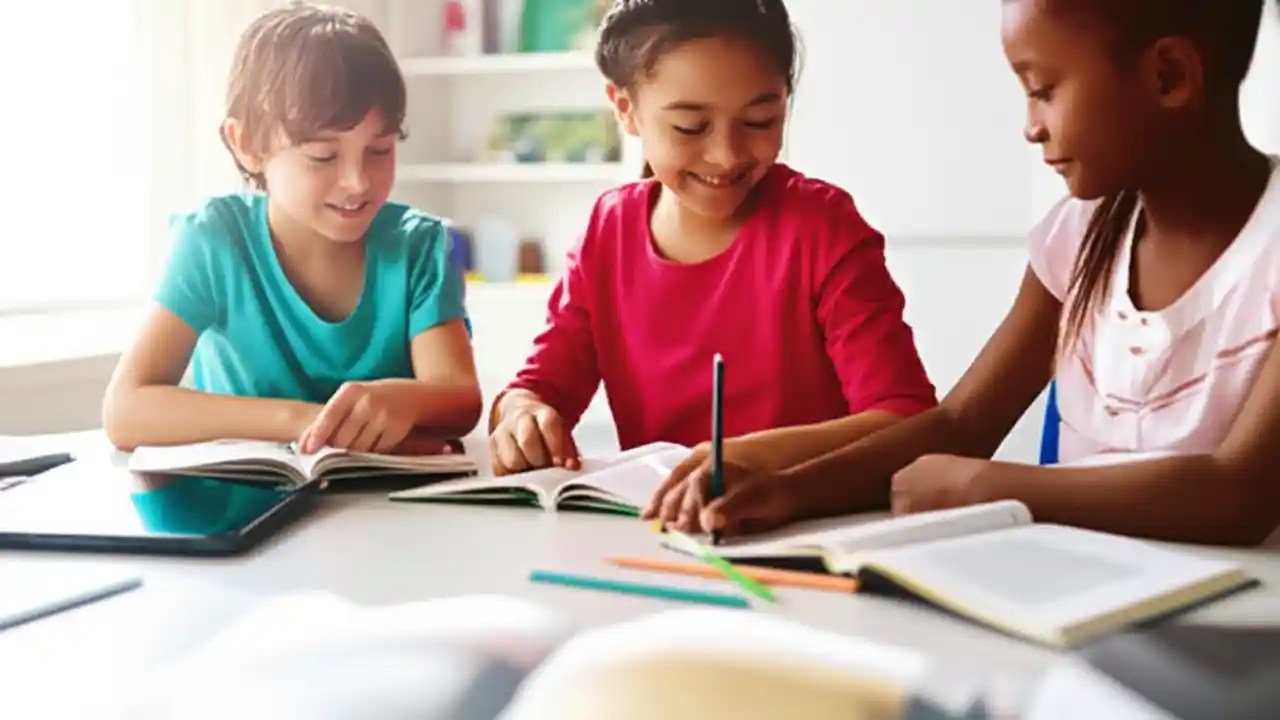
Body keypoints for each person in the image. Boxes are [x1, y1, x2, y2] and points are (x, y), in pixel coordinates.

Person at [653, 0, 1280, 546]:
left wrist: (997, 485)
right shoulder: (1080, 233)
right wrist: (788, 490)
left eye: (1043, 90)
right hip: (1082, 595)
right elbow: (961, 424)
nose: (1030, 127)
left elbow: (1240, 492)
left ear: (1169, 76)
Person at [488, 0, 937, 498]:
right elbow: (540, 387)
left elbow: (908, 422)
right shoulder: (608, 231)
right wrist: (521, 413)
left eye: (761, 120)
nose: (727, 155)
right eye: (690, 127)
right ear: (625, 109)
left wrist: (750, 457)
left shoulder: (823, 228)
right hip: (661, 539)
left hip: (806, 534)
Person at [103, 4, 482, 453]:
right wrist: (303, 420)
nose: (357, 181)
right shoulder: (214, 239)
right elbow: (125, 410)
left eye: (379, 150)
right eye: (322, 155)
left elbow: (462, 402)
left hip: (386, 508)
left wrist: (408, 400)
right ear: (247, 145)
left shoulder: (419, 246)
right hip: (244, 506)